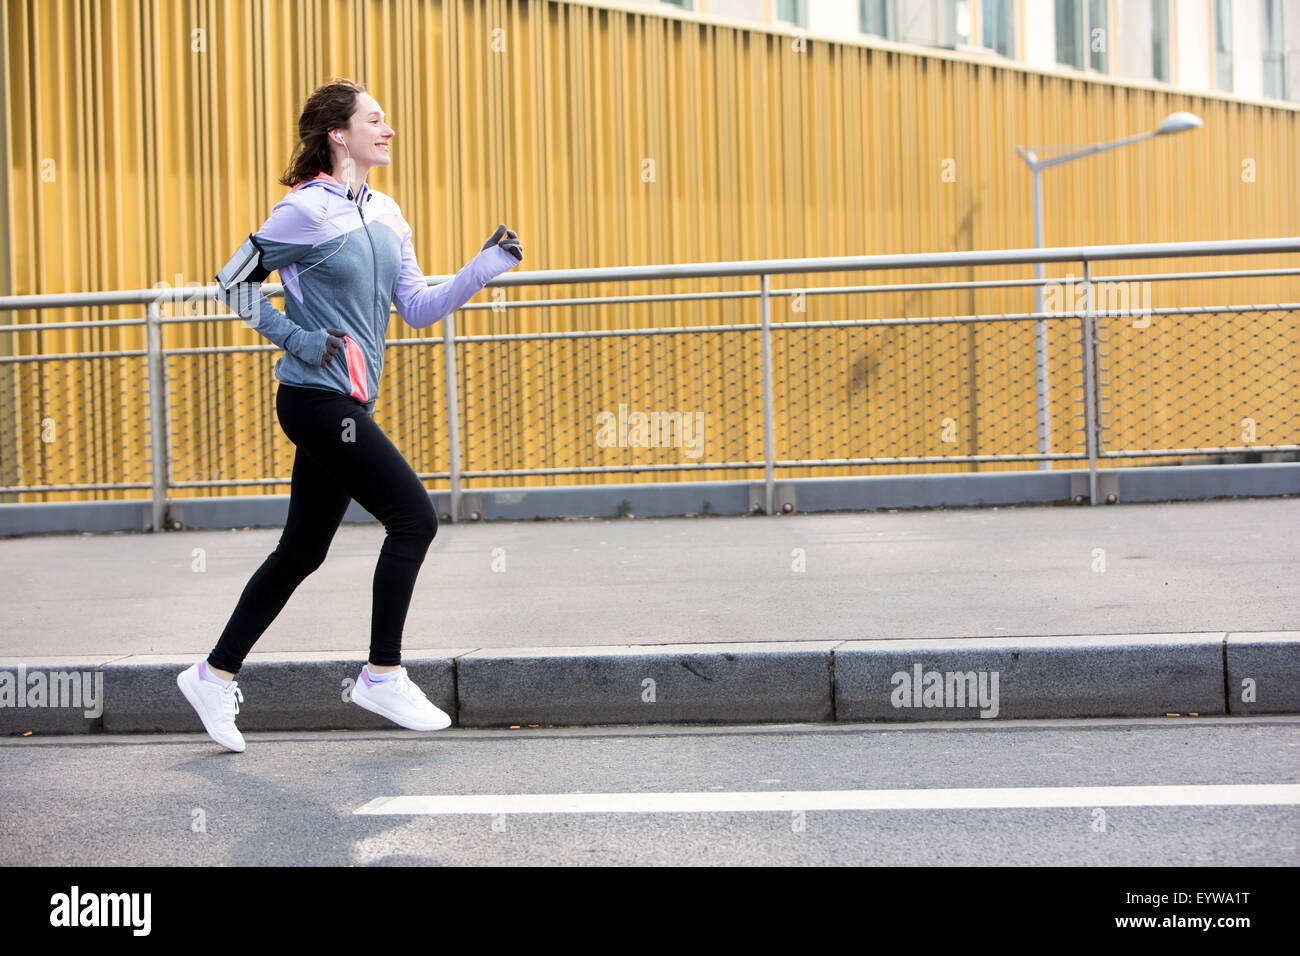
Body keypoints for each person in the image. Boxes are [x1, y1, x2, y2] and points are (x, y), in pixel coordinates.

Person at [177, 78, 522, 752]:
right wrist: (300, 340)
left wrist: (482, 268)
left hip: (349, 399)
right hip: (313, 398)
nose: (387, 130)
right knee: (414, 518)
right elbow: (231, 283)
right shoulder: (302, 212)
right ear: (338, 133)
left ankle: (212, 676)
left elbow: (417, 307)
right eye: (375, 119)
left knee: (301, 551)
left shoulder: (389, 212)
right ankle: (382, 673)